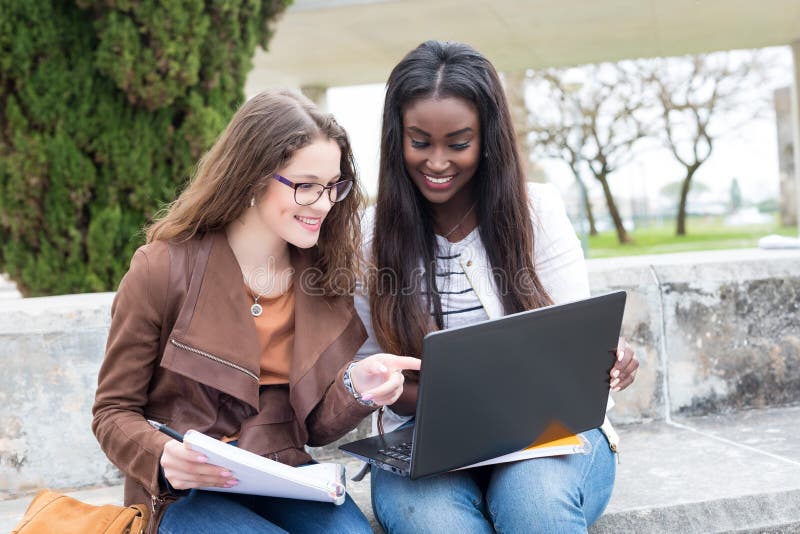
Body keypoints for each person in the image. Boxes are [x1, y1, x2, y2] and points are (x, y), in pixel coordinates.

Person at [92, 90, 420, 534]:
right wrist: (161, 455)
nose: (324, 204)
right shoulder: (162, 269)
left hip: (287, 477)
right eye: (305, 186)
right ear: (252, 178)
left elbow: (315, 429)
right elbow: (112, 411)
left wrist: (355, 388)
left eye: (333, 187)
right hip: (185, 494)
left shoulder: (325, 276)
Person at [355, 41, 639, 533]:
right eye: (420, 141)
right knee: (437, 525)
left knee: (536, 507)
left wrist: (606, 359)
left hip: (549, 430)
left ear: (488, 139)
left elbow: (574, 343)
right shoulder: (368, 234)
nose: (438, 161)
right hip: (425, 435)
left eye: (458, 143)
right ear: (395, 137)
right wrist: (395, 389)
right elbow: (369, 372)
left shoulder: (537, 213)